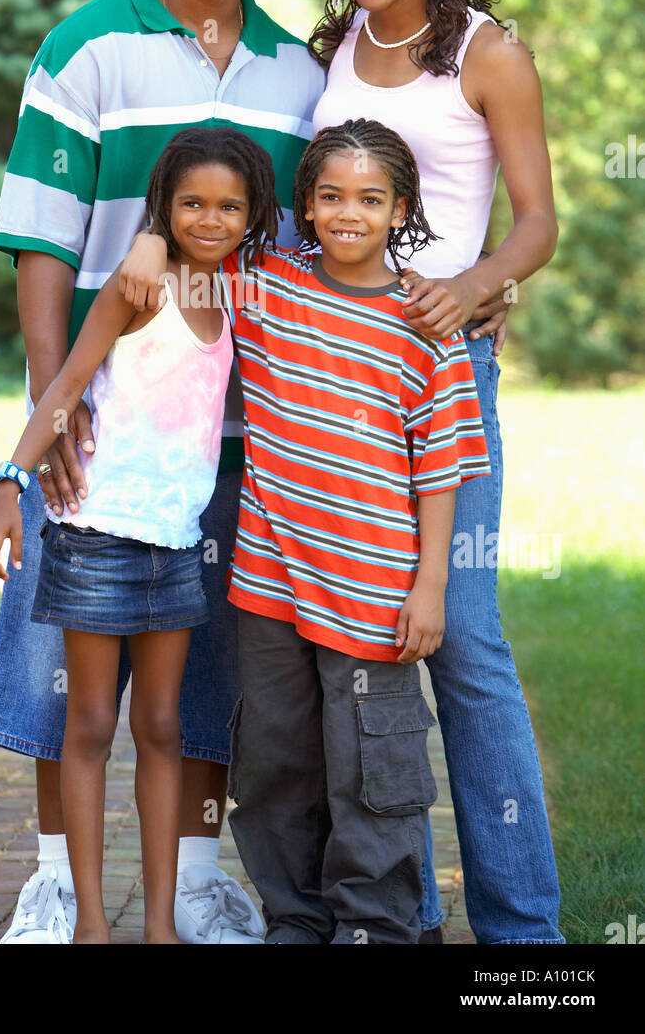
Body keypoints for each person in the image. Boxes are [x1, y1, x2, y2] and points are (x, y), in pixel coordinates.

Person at [0, 0, 327, 943]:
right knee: (58, 689)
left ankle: (199, 878)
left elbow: (317, 243)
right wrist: (54, 403)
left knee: (202, 685)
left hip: (232, 441)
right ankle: (53, 883)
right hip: (95, 422)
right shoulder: (88, 45)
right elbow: (41, 236)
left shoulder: (296, 73)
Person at [309, 0, 563, 944]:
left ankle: (522, 933)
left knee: (459, 637)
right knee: (370, 636)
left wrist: (474, 287)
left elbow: (538, 220)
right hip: (335, 375)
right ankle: (395, 916)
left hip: (437, 370)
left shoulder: (484, 54)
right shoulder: (338, 47)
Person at [0, 128, 281, 944]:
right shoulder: (134, 289)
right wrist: (11, 486)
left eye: (228, 206)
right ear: (165, 208)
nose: (209, 220)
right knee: (87, 727)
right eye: (191, 204)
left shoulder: (245, 296)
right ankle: (87, 926)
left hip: (177, 543)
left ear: (253, 215)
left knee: (161, 727)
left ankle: (158, 928)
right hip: (95, 534)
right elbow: (67, 386)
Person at [216, 118, 489, 943]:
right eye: (330, 195)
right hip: (269, 586)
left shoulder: (425, 326)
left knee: (376, 775)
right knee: (273, 769)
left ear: (401, 207)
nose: (348, 213)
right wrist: (157, 245)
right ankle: (294, 921)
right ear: (304, 203)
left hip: (374, 597)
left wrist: (430, 588)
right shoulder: (264, 283)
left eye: (371, 199)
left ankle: (375, 926)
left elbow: (441, 469)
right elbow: (196, 242)